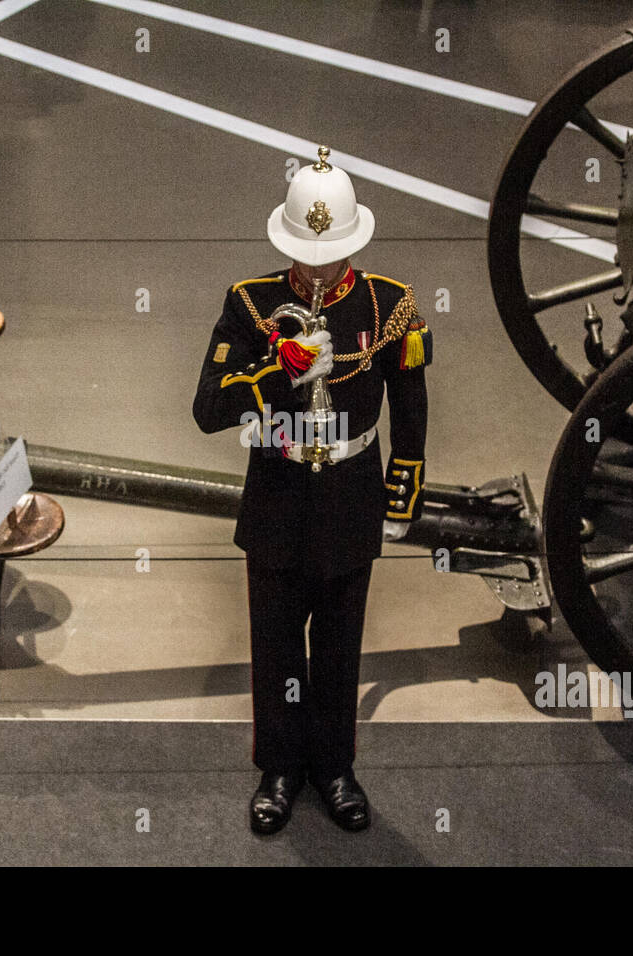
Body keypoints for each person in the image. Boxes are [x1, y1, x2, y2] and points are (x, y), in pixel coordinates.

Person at [192, 146, 432, 834]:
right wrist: (274, 373)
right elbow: (209, 409)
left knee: (338, 646)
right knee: (274, 647)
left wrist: (403, 485)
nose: (317, 271)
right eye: (305, 257)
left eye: (328, 257)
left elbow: (410, 405)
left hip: (352, 493)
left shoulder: (390, 304)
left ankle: (333, 767)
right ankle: (278, 768)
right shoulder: (251, 305)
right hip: (276, 491)